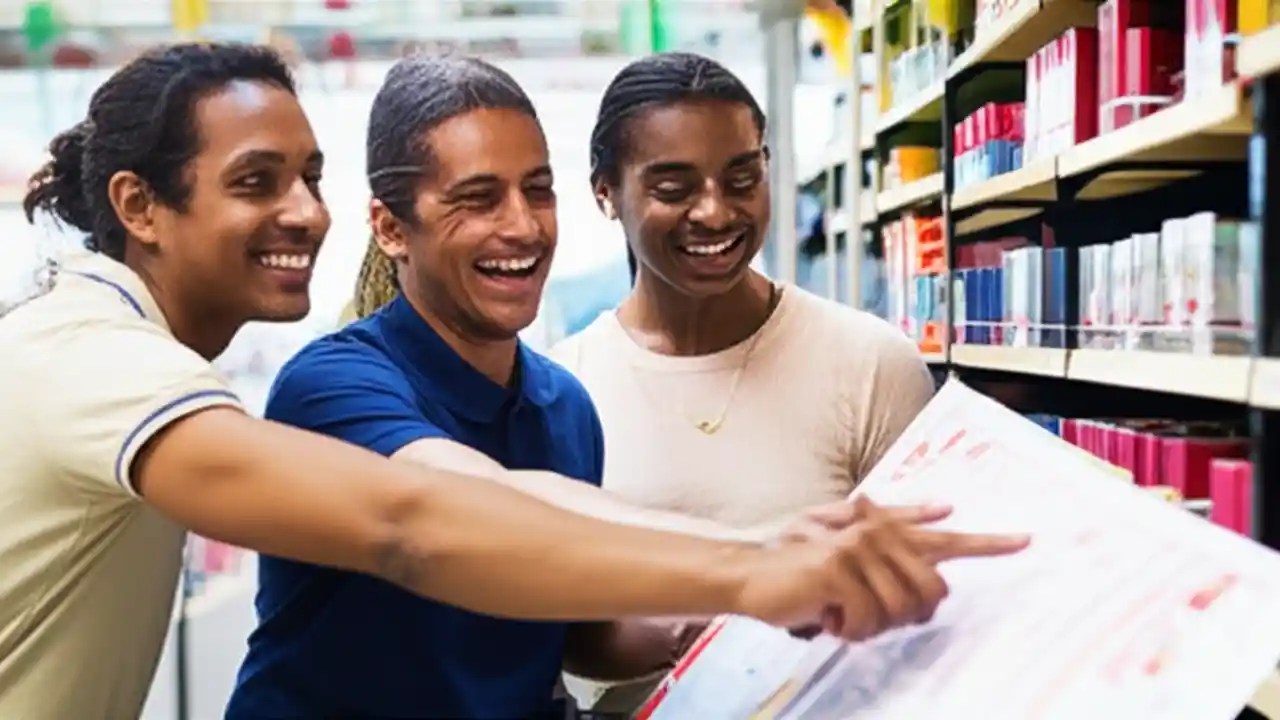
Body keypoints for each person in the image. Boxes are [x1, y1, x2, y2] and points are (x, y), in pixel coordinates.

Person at [0, 43, 1027, 719]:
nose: (304, 213)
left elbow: (568, 611)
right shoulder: (297, 381)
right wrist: (755, 557)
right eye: (256, 182)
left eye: (534, 192)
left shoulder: (558, 403)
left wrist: (742, 608)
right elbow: (424, 513)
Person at [547, 52, 941, 708]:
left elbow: (924, 597)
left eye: (741, 177)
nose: (716, 212)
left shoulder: (871, 363)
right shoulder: (564, 386)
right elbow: (549, 624)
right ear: (605, 193)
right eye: (673, 189)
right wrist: (692, 624)